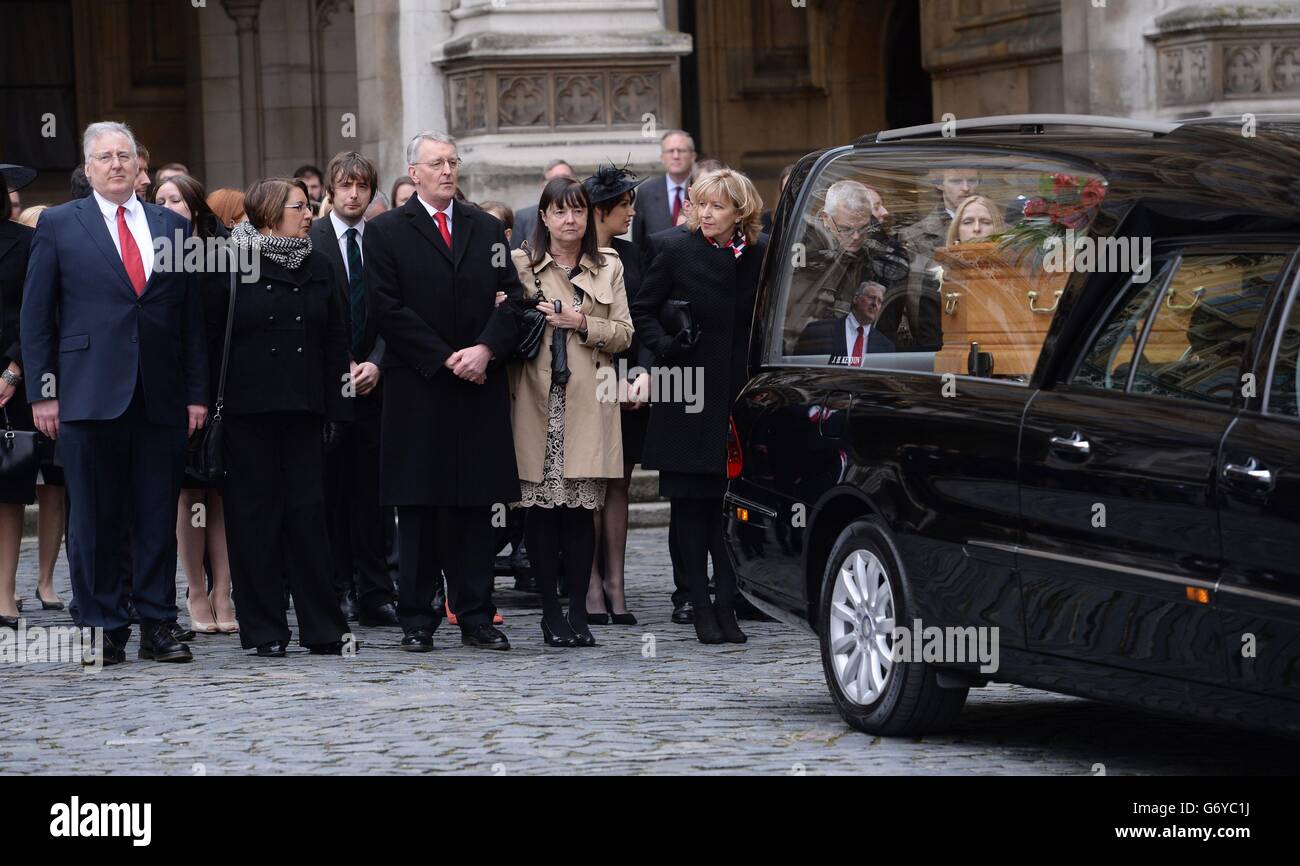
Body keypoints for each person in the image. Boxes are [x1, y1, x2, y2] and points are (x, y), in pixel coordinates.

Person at [21, 121, 209, 666]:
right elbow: (37, 319)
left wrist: (196, 394)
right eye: (105, 157)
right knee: (96, 519)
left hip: (160, 396)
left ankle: (157, 623)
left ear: (138, 165)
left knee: (156, 514)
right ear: (87, 168)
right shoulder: (59, 224)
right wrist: (44, 394)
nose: (117, 164)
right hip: (84, 395)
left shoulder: (170, 227)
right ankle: (104, 624)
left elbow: (189, 319)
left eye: (125, 155)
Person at [365, 131, 522, 653]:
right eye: (436, 163)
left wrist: (484, 351)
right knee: (420, 510)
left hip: (478, 387)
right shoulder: (386, 231)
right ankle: (417, 618)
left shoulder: (484, 227)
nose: (448, 171)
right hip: (420, 390)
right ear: (415, 173)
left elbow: (513, 301)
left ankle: (476, 615)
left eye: (453, 162)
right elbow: (387, 308)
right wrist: (444, 358)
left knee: (476, 510)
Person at [631, 168, 765, 645]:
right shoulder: (674, 248)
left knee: (730, 508)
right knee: (691, 507)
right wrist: (668, 345)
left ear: (740, 213)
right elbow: (642, 309)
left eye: (716, 206)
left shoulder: (760, 254)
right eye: (699, 203)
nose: (705, 213)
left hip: (735, 395)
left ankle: (729, 601)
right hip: (684, 392)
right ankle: (700, 605)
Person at [219, 177, 353, 657]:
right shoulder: (229, 263)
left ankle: (323, 627)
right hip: (247, 411)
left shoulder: (319, 263)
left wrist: (339, 406)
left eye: (310, 205)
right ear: (272, 213)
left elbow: (338, 339)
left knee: (308, 519)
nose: (310, 213)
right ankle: (265, 629)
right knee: (254, 520)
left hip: (305, 410)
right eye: (300, 206)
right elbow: (212, 337)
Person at [508, 177, 631, 647]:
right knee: (541, 514)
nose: (570, 220)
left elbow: (624, 333)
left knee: (581, 513)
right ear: (543, 217)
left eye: (578, 211)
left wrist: (581, 322)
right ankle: (548, 612)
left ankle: (579, 608)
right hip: (536, 401)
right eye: (559, 211)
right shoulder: (521, 265)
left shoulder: (609, 266)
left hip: (587, 401)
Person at [308, 152, 397, 628]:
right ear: (330, 191)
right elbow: (312, 310)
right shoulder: (314, 238)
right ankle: (337, 589)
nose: (354, 194)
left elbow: (393, 307)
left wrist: (377, 362)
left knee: (374, 497)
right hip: (328, 388)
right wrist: (339, 363)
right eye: (345, 185)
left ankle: (376, 592)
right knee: (330, 495)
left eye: (362, 186)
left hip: (378, 385)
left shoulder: (384, 238)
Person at [153, 173, 238, 635]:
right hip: (180, 389)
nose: (167, 206)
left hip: (225, 386)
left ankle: (224, 589)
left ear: (196, 206)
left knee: (221, 492)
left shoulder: (224, 250)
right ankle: (196, 591)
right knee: (190, 495)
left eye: (176, 199)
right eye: (159, 199)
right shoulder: (155, 250)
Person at [581, 164, 650, 626]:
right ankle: (587, 585)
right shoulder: (573, 253)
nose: (631, 212)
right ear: (603, 210)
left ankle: (616, 583)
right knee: (587, 482)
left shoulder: (637, 254)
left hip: (629, 378)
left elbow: (647, 316)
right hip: (585, 377)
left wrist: (643, 372)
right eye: (625, 205)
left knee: (619, 482)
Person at [13, 203, 65, 614]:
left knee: (53, 488)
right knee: (10, 489)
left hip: (49, 383)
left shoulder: (42, 257)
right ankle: (5, 583)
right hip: (19, 385)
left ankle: (46, 580)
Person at [0, 167, 36, 628]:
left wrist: (12, 369)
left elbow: (37, 310)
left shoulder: (25, 243)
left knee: (8, 492)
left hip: (12, 379)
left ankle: (5, 595)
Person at [793, 281, 895, 360]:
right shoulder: (817, 331)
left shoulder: (886, 348)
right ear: (856, 299)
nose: (875, 304)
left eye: (879, 301)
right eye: (871, 298)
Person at [631, 130, 696, 249]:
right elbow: (638, 242)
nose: (676, 156)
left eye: (681, 150)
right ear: (662, 157)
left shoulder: (703, 189)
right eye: (670, 151)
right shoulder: (646, 191)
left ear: (693, 156)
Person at [510, 159, 574, 251]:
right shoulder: (524, 217)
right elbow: (515, 256)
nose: (562, 183)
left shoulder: (587, 213)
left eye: (566, 178)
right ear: (544, 185)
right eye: (555, 180)